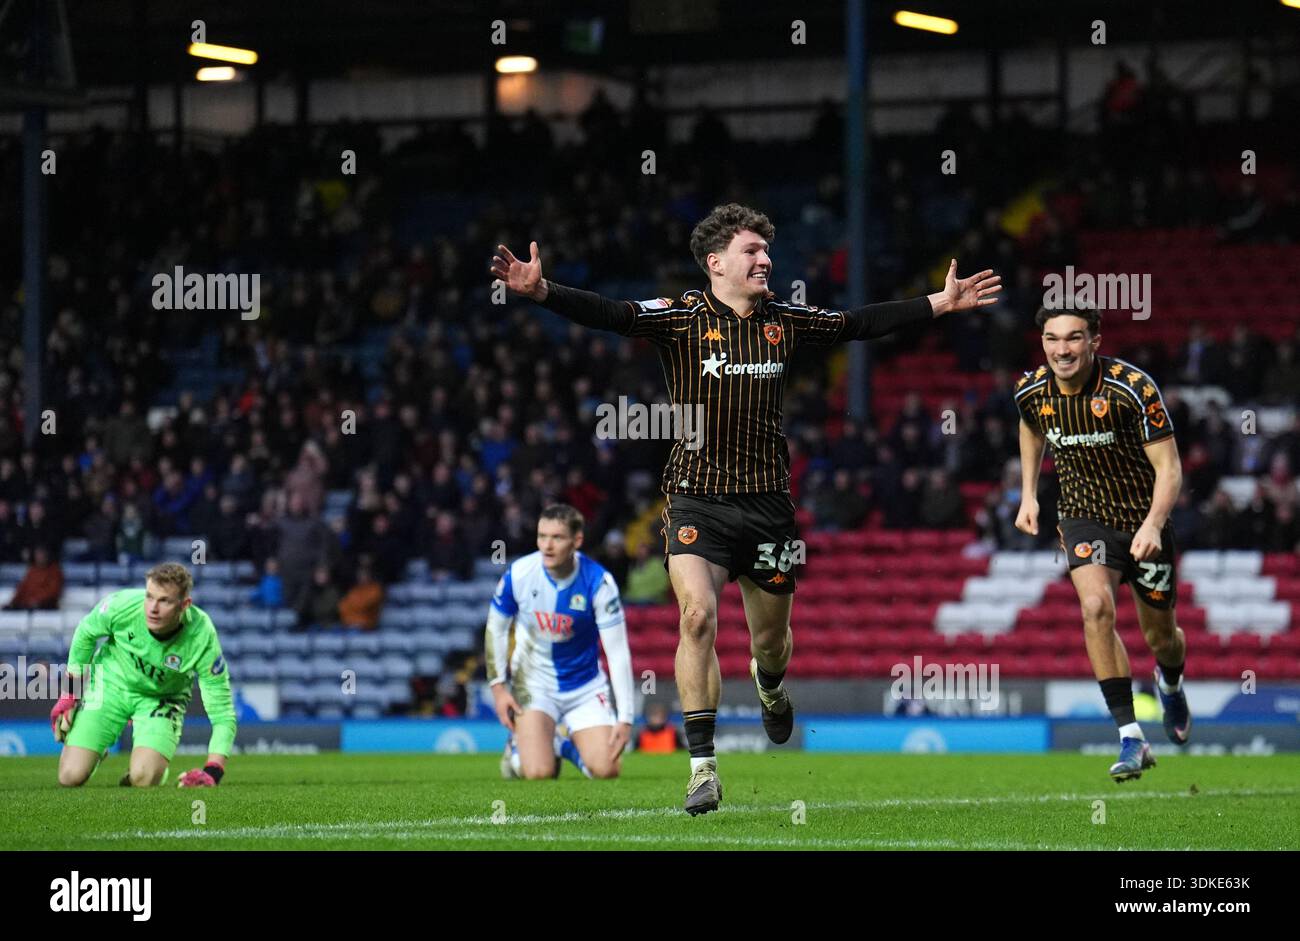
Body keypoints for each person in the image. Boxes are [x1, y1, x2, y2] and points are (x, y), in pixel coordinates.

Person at [491, 203, 999, 813]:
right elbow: (612, 314)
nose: (766, 260)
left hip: (768, 510)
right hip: (695, 501)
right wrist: (543, 290)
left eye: (767, 250)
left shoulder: (783, 320)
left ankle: (770, 686)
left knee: (771, 645)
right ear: (716, 263)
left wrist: (937, 304)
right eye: (753, 251)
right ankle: (702, 767)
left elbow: (857, 323)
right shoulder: (679, 317)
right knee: (697, 617)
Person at [1014, 306, 1190, 782]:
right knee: (1095, 608)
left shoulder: (1131, 388)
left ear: (1094, 340)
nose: (1062, 349)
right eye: (1052, 339)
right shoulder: (1031, 389)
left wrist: (1154, 524)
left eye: (1073, 338)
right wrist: (1029, 492)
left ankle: (1169, 683)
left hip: (1142, 521)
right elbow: (1031, 427)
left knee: (1161, 637)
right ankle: (1131, 735)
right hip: (1083, 518)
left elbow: (1169, 468)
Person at [51, 562, 235, 788]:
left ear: (184, 605)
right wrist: (70, 694)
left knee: (144, 778)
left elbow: (222, 712)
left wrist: (213, 770)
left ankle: (149, 770)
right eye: (150, 597)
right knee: (69, 777)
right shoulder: (123, 605)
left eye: (164, 601)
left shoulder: (201, 636)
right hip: (110, 685)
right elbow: (85, 633)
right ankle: (97, 747)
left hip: (162, 700)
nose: (152, 608)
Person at [485, 504, 634, 781]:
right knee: (540, 773)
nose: (547, 545)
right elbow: (496, 628)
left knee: (607, 770)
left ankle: (557, 743)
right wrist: (498, 688)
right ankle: (524, 746)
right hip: (533, 683)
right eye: (542, 536)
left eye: (557, 537)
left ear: (576, 541)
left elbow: (618, 654)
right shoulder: (518, 574)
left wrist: (625, 718)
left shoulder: (599, 583)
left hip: (585, 687)